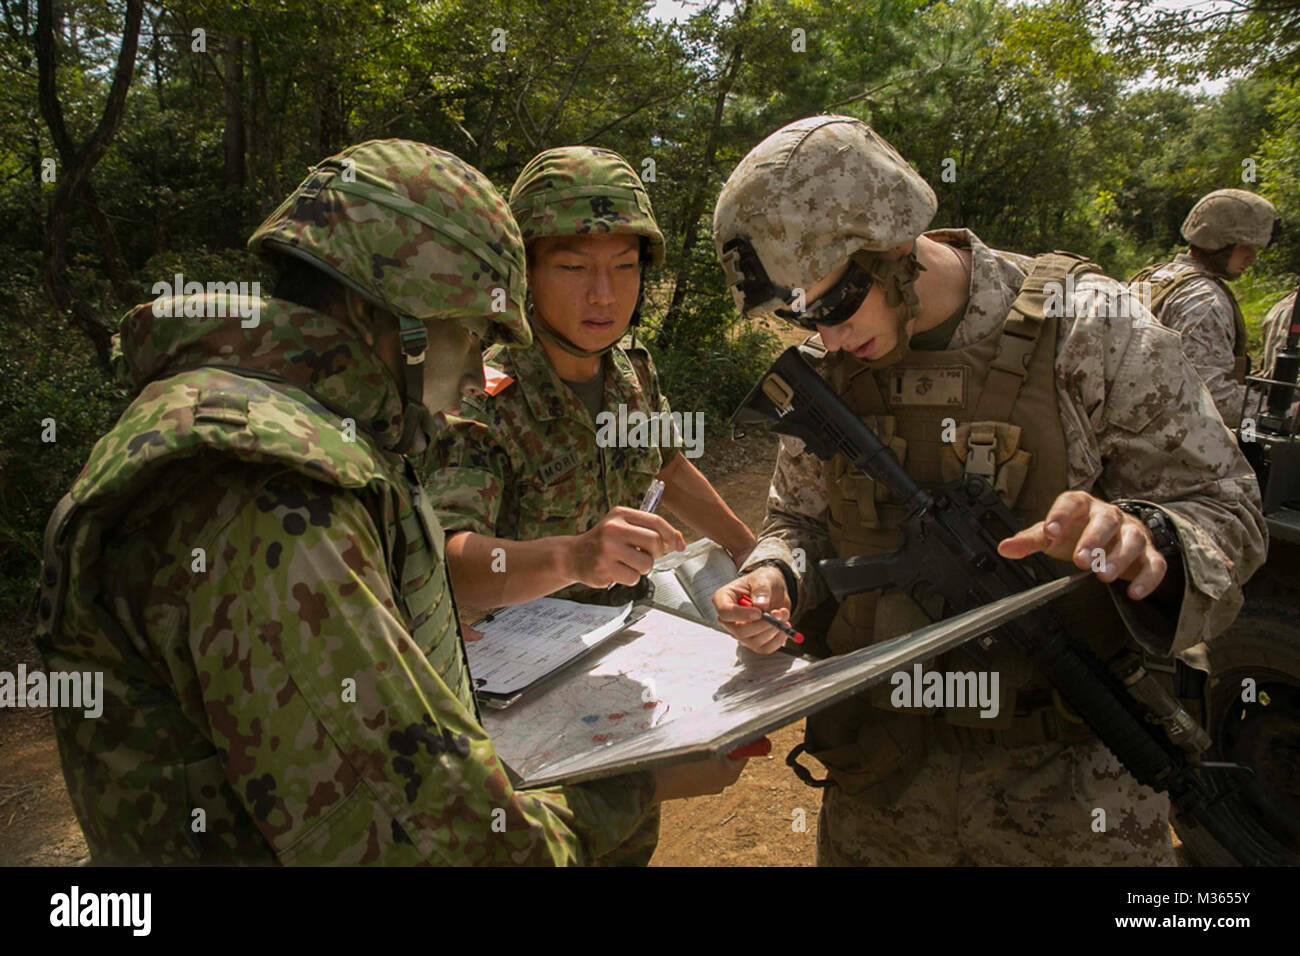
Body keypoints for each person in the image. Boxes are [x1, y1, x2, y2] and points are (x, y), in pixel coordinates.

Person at [35, 139, 745, 866]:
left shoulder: (273, 428)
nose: (476, 378)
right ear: (406, 320)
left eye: (623, 267)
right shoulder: (269, 491)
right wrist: (639, 781)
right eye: (470, 336)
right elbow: (433, 847)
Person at [709, 115, 1267, 866]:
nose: (827, 338)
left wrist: (1146, 537)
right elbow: (797, 519)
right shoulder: (828, 374)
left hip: (1070, 796)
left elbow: (1226, 510)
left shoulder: (1088, 326)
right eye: (796, 315)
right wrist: (775, 575)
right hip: (884, 790)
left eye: (834, 305)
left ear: (898, 246)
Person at [425, 145, 756, 865]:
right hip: (511, 722)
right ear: (525, 272)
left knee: (628, 840)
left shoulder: (632, 371)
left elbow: (663, 457)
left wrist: (744, 547)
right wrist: (573, 556)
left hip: (618, 681)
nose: (604, 294)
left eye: (625, 267)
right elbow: (450, 566)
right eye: (574, 268)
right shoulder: (477, 386)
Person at [1129, 188, 1278, 427]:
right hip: (1169, 448)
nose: (1252, 257)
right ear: (1220, 242)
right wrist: (1279, 410)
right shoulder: (1205, 301)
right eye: (1244, 247)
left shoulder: (1154, 278)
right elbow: (1209, 398)